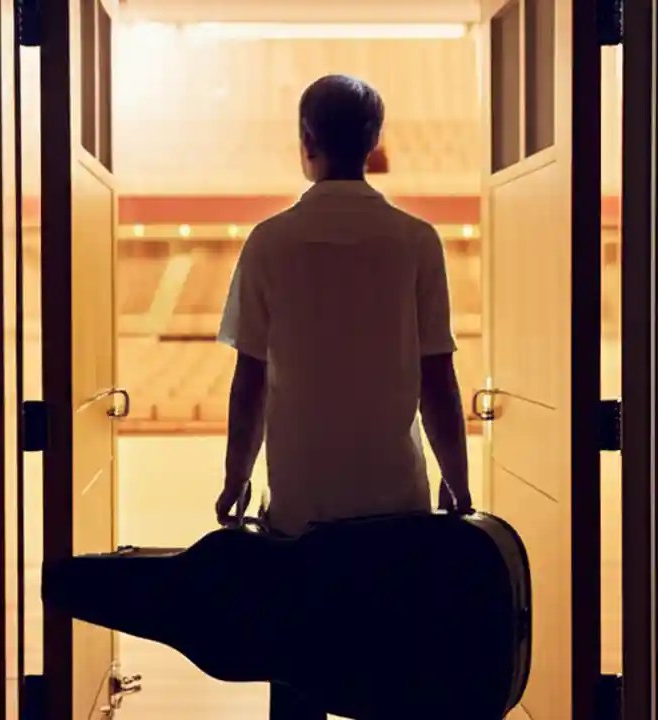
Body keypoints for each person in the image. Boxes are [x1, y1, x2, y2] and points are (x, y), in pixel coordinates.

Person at [214, 75, 472, 719]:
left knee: (298, 676)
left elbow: (249, 381)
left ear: (306, 142)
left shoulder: (270, 241)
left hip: (301, 504)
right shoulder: (416, 240)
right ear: (373, 142)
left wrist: (235, 476)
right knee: (390, 676)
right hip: (394, 504)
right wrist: (457, 479)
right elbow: (437, 375)